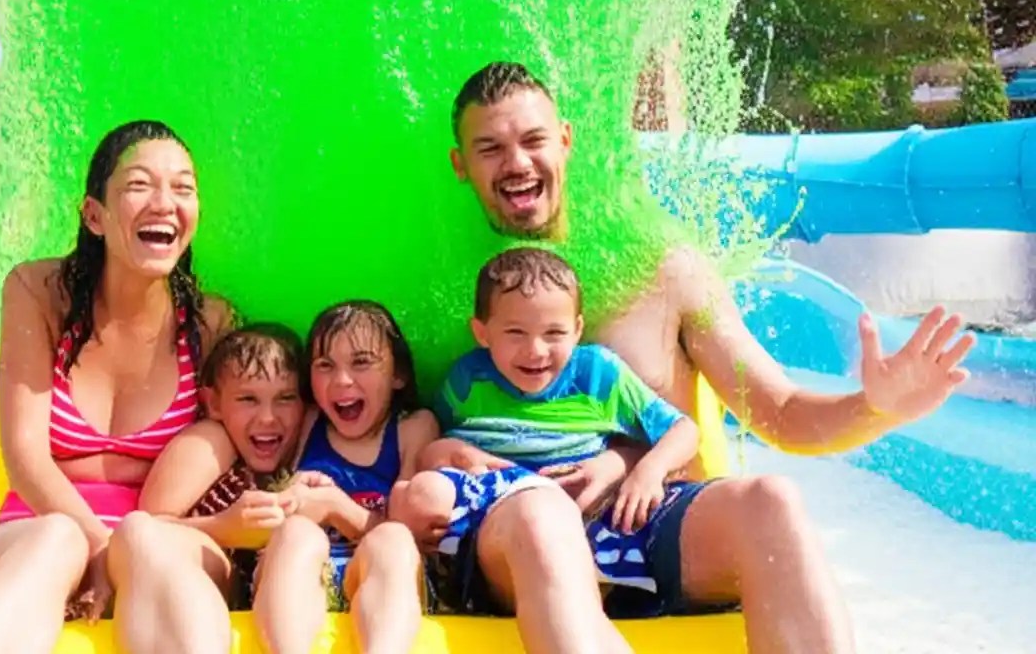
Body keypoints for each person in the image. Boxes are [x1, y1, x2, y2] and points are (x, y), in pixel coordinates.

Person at [447, 61, 976, 479]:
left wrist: (878, 409)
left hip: (670, 555)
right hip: (513, 557)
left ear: (565, 140)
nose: (516, 164)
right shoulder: (449, 286)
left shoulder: (661, 266)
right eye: (490, 148)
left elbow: (781, 412)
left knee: (773, 505)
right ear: (460, 165)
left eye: (533, 141)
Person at [411, 246, 855, 654]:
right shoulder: (466, 383)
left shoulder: (598, 373)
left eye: (554, 332)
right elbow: (439, 454)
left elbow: (683, 430)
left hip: (614, 525)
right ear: (482, 333)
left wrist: (645, 471)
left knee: (770, 500)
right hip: (522, 534)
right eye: (515, 332)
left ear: (577, 329)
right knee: (543, 514)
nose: (536, 350)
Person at [0, 120, 238, 654]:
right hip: (34, 531)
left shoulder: (209, 324)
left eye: (183, 188)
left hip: (165, 547)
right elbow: (24, 455)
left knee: (144, 534)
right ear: (94, 215)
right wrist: (95, 542)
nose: (165, 202)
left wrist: (121, 543)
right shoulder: (38, 293)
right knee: (58, 538)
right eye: (140, 185)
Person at [252, 300, 439, 654]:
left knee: (393, 539)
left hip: (384, 578)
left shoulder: (414, 427)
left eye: (362, 362)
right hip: (300, 575)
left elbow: (413, 532)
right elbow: (270, 505)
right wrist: (290, 498)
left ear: (398, 373)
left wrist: (334, 505)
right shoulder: (306, 422)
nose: (342, 380)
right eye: (325, 366)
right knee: (296, 533)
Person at [131, 322, 315, 653]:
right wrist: (225, 527)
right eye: (248, 399)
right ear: (214, 403)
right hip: (197, 591)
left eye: (286, 398)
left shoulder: (305, 446)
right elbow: (148, 532)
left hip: (270, 595)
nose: (268, 417)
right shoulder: (211, 443)